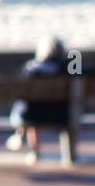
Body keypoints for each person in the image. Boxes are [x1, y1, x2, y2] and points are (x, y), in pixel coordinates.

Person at [7, 36, 71, 164]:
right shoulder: (67, 69)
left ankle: (31, 148)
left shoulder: (31, 68)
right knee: (35, 108)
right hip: (62, 115)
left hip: (32, 116)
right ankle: (70, 154)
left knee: (30, 108)